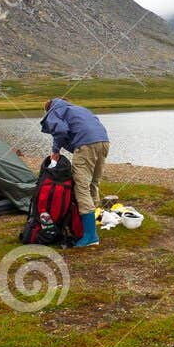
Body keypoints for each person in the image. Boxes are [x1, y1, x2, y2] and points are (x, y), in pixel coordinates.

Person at [40, 97, 109, 247]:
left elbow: (60, 130)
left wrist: (55, 150)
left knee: (81, 186)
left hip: (86, 144)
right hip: (104, 142)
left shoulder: (54, 110)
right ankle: (90, 225)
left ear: (48, 109)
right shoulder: (79, 109)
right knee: (93, 183)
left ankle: (90, 236)